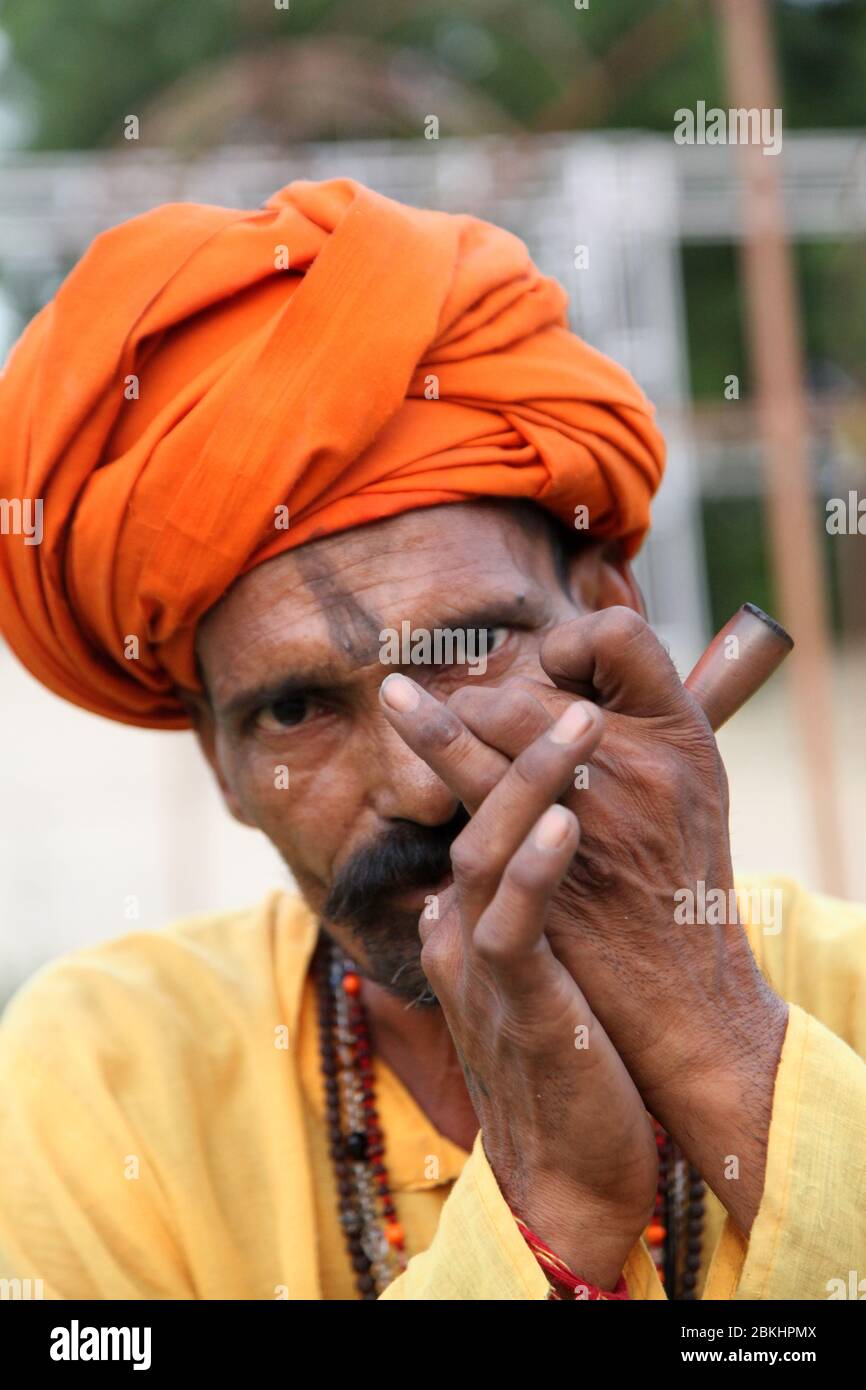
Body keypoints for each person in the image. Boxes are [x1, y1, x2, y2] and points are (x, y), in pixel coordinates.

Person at [0, 178, 863, 1301]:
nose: (416, 785)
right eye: (296, 710)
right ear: (219, 764)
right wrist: (543, 1217)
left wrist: (715, 1046)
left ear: (616, 618)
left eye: (468, 651)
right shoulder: (103, 1073)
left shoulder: (834, 986)